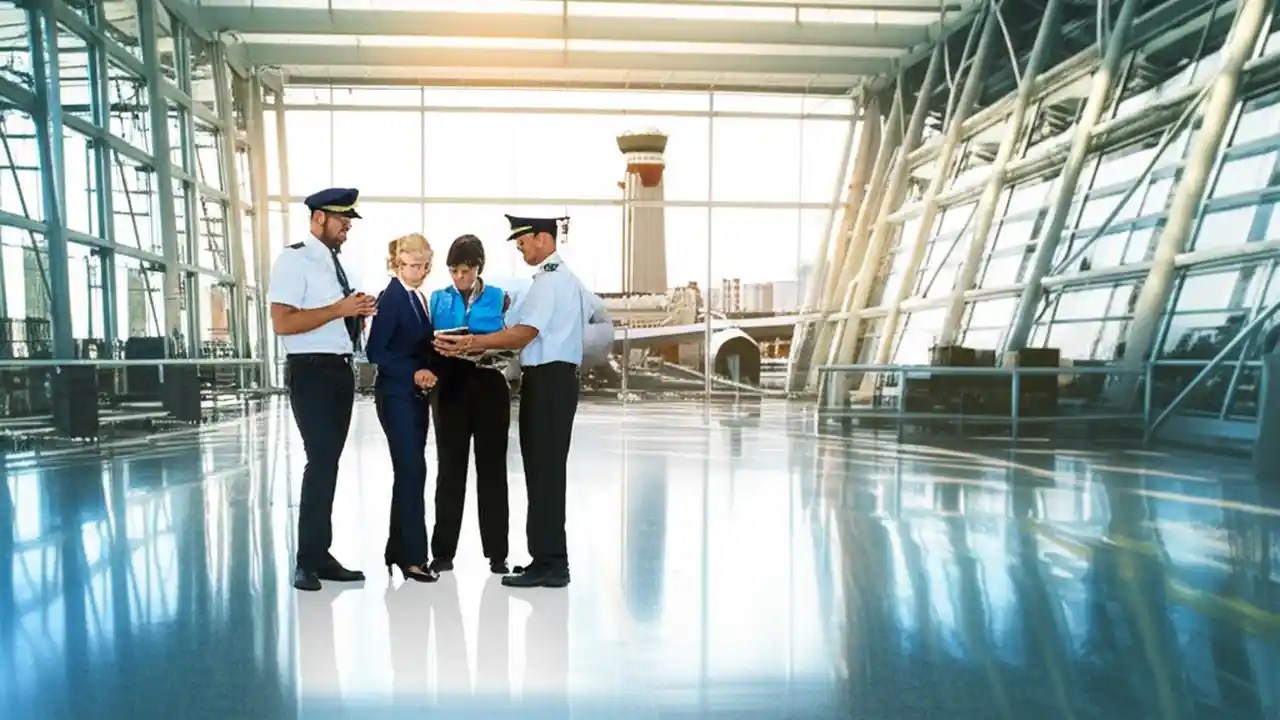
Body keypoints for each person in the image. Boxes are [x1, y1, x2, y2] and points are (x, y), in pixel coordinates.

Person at [435, 214, 594, 589]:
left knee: (546, 473)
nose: (520, 247)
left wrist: (473, 343)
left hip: (551, 379)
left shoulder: (552, 282)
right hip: (546, 380)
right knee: (541, 472)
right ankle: (544, 558)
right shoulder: (552, 280)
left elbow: (522, 334)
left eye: (522, 241)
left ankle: (552, 563)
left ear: (542, 238)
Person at [268, 187, 375, 592]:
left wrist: (360, 310)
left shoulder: (336, 264)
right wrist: (340, 309)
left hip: (339, 371)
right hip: (310, 371)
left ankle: (320, 552)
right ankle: (306, 561)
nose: (347, 228)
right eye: (342, 222)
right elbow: (283, 322)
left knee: (328, 463)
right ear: (318, 218)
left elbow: (338, 317)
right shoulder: (294, 259)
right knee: (320, 461)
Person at [427, 235, 512, 576]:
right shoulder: (437, 299)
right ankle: (443, 552)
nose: (459, 277)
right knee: (450, 469)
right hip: (450, 386)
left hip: (490, 383)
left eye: (466, 270)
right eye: (453, 271)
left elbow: (511, 341)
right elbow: (427, 340)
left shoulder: (500, 298)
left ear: (479, 268)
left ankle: (498, 554)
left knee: (492, 471)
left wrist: (479, 345)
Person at [365, 233, 440, 583]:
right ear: (397, 264)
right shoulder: (392, 298)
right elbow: (375, 351)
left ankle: (398, 550)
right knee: (411, 470)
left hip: (412, 396)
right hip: (395, 394)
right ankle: (412, 558)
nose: (419, 270)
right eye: (412, 264)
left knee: (412, 472)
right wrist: (415, 372)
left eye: (424, 264)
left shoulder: (417, 298)